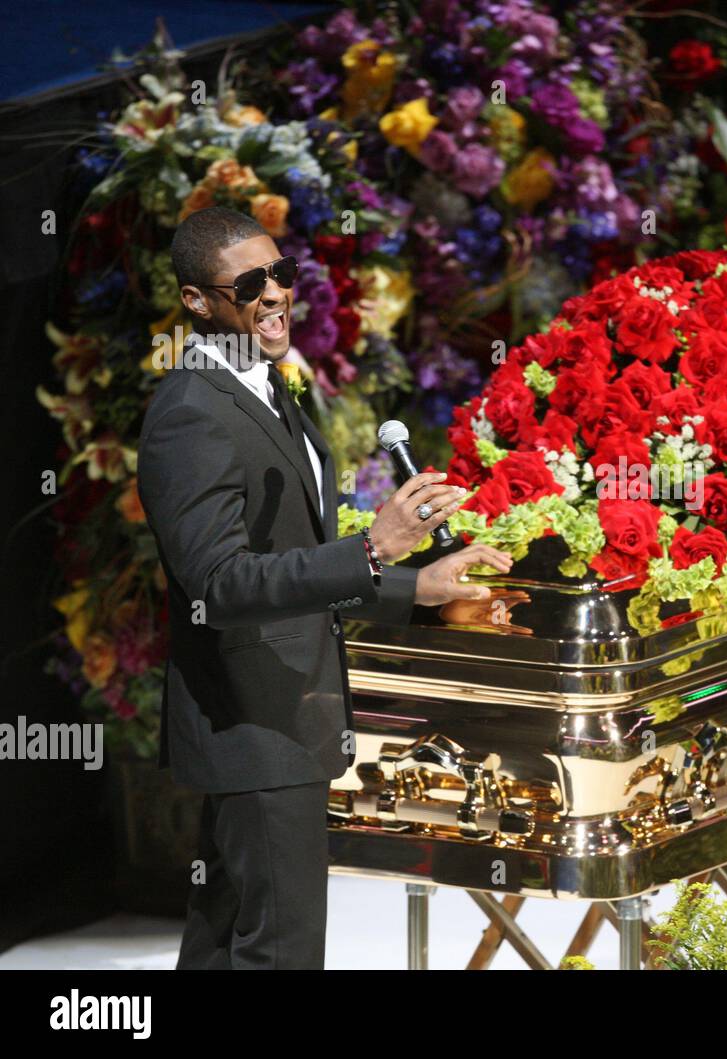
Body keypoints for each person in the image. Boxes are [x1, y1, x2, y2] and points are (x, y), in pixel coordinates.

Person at [136, 206, 512, 969]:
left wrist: (419, 586)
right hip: (253, 719)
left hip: (281, 719)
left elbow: (299, 561)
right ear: (197, 301)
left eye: (284, 273)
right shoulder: (192, 413)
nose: (276, 294)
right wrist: (371, 545)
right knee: (281, 951)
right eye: (250, 283)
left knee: (225, 939)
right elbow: (219, 580)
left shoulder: (267, 388)